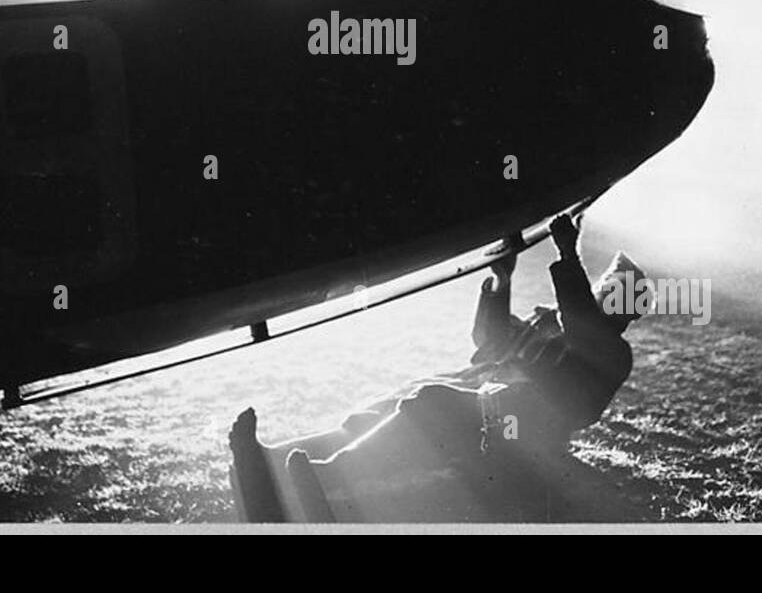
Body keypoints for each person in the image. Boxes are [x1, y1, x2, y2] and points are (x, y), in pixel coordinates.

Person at [228, 211, 647, 522]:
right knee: (375, 412)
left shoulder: (611, 352)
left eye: (611, 291)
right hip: (491, 401)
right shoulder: (559, 322)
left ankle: (322, 480)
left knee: (429, 405)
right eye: (604, 286)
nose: (603, 293)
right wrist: (502, 282)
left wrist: (567, 254)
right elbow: (490, 342)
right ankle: (267, 468)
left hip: (521, 428)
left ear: (624, 310)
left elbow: (581, 336)